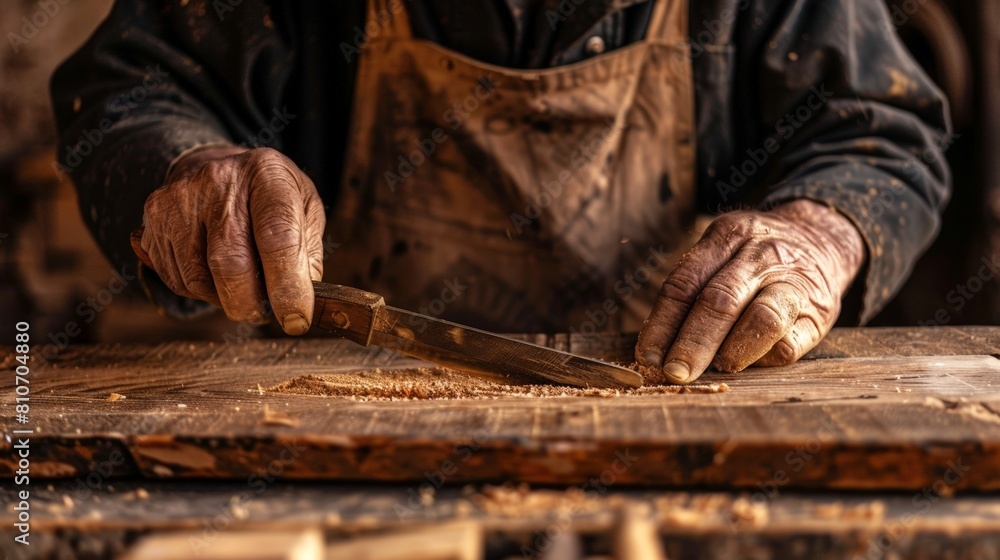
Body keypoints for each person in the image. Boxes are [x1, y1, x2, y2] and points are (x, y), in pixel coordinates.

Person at [51, 0, 950, 384]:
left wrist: (818, 233)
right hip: (339, 421)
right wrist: (187, 167)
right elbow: (130, 88)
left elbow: (880, 129)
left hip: (666, 414)